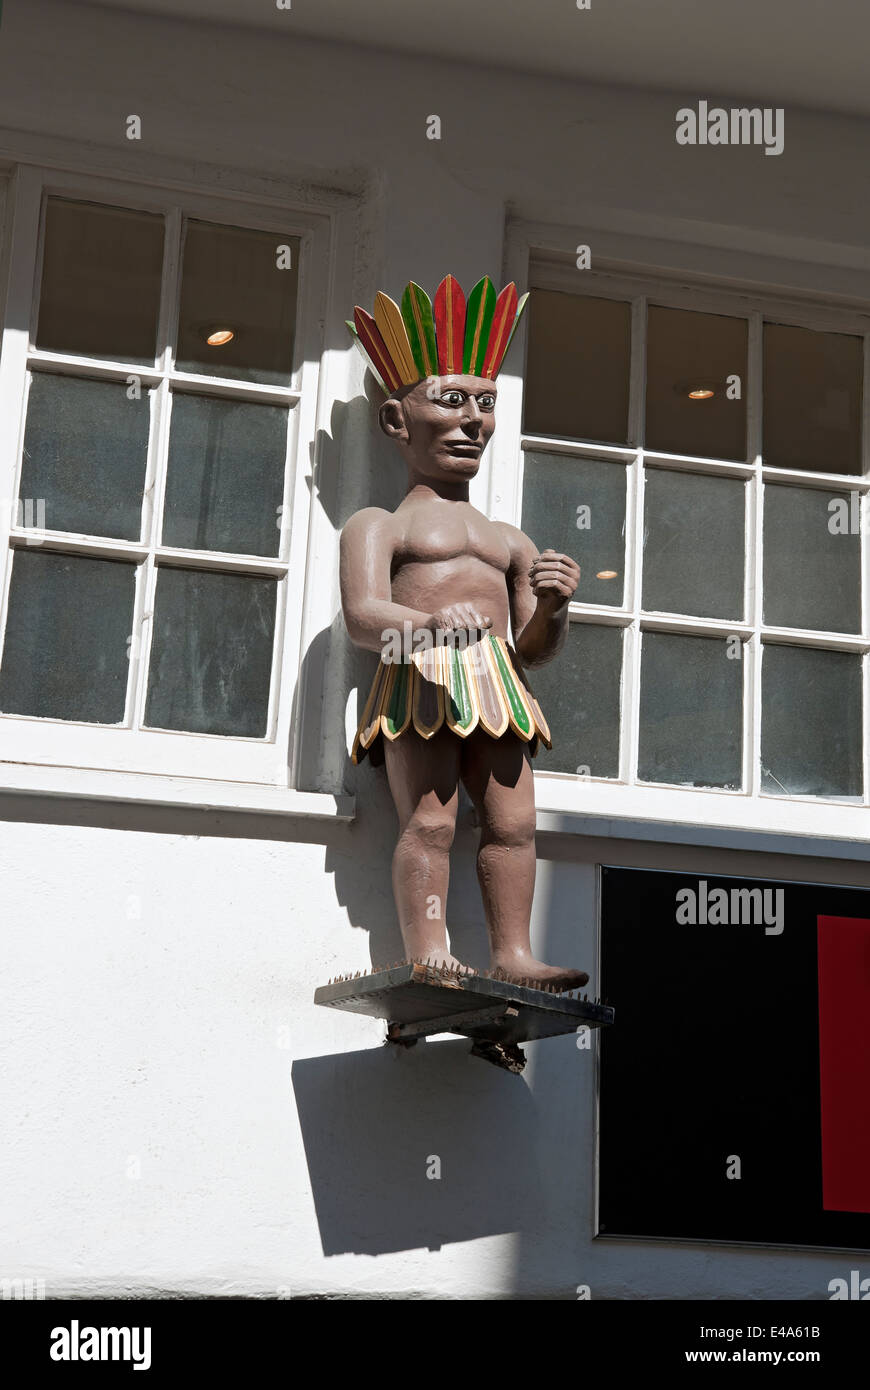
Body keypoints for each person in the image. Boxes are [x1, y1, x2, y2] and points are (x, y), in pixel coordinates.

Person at [340, 276, 587, 990]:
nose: (472, 420)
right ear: (397, 420)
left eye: (485, 404)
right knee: (431, 822)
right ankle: (428, 950)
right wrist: (423, 624)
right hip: (419, 680)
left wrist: (555, 607)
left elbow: (530, 649)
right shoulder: (378, 524)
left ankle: (512, 953)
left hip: (498, 686)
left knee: (513, 822)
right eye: (451, 400)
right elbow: (364, 617)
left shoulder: (508, 537)